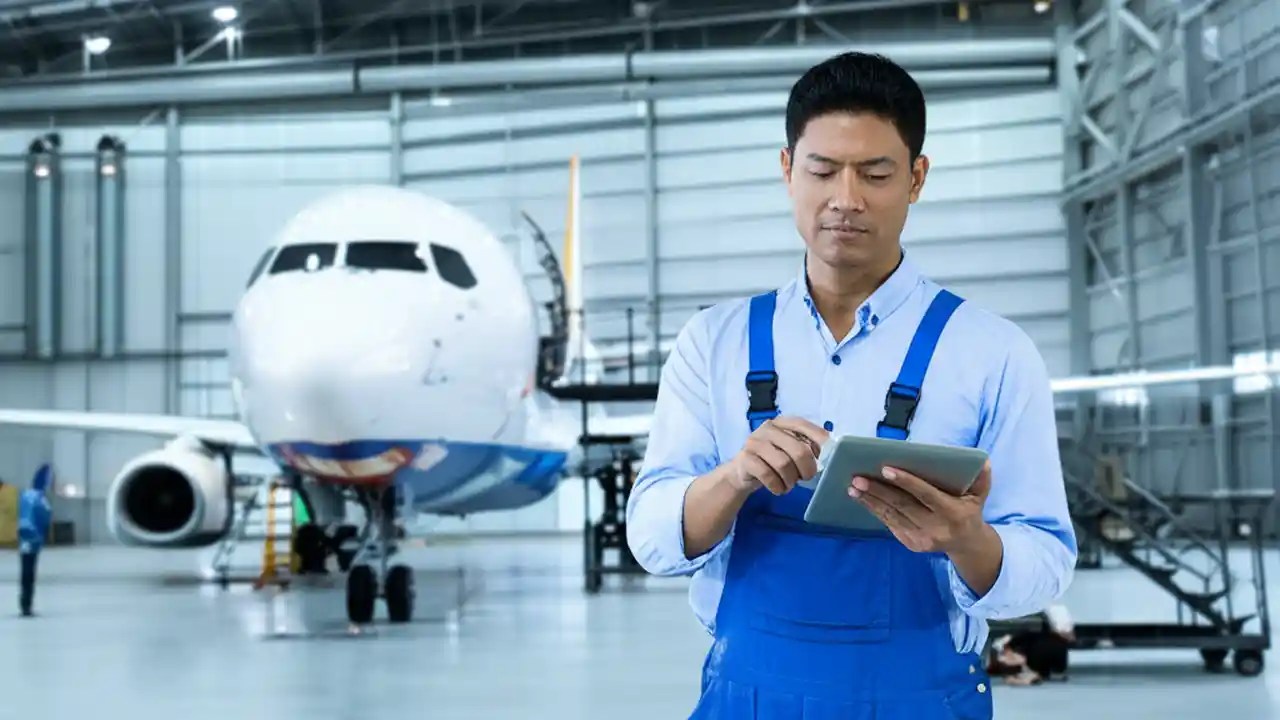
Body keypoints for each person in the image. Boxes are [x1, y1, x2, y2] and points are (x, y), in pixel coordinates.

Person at [625, 51, 1077, 719]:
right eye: (822, 170)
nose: (845, 199)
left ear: (917, 178)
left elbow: (1044, 558)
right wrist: (735, 477)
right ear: (787, 171)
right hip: (747, 701)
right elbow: (653, 539)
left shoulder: (993, 353)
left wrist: (966, 538)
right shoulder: (712, 344)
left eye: (875, 173)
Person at [17, 463, 53, 617]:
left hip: (25, 538)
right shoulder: (39, 498)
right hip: (33, 539)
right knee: (29, 574)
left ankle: (25, 603)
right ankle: (26, 605)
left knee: (26, 573)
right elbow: (45, 517)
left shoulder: (26, 495)